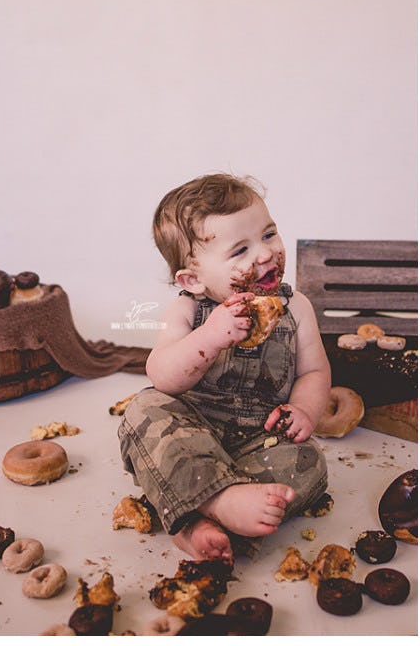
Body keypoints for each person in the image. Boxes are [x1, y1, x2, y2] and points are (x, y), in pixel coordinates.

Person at [119, 173, 330, 561]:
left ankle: (196, 517)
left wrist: (304, 410)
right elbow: (162, 375)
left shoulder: (296, 307)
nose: (265, 255)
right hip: (190, 433)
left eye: (268, 235)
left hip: (259, 441)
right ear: (193, 279)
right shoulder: (188, 310)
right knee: (142, 411)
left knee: (310, 462)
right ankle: (221, 501)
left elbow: (314, 372)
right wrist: (209, 338)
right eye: (240, 251)